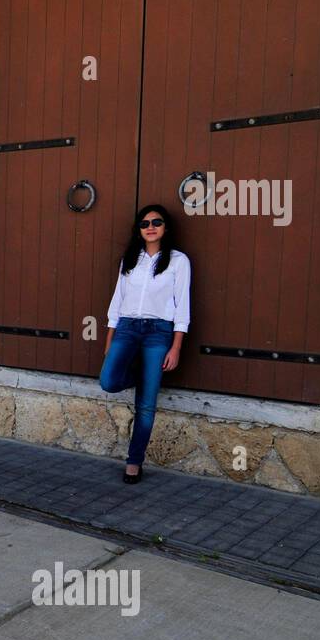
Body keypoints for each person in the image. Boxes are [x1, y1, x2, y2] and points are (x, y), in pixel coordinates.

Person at [98, 204, 191, 484]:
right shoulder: (129, 259)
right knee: (108, 381)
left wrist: (175, 347)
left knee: (146, 406)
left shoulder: (178, 261)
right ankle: (143, 375)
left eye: (157, 222)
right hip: (126, 327)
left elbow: (182, 307)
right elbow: (117, 301)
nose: (150, 227)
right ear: (138, 230)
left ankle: (134, 462)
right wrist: (109, 339)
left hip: (158, 332)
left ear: (165, 227)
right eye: (144, 223)